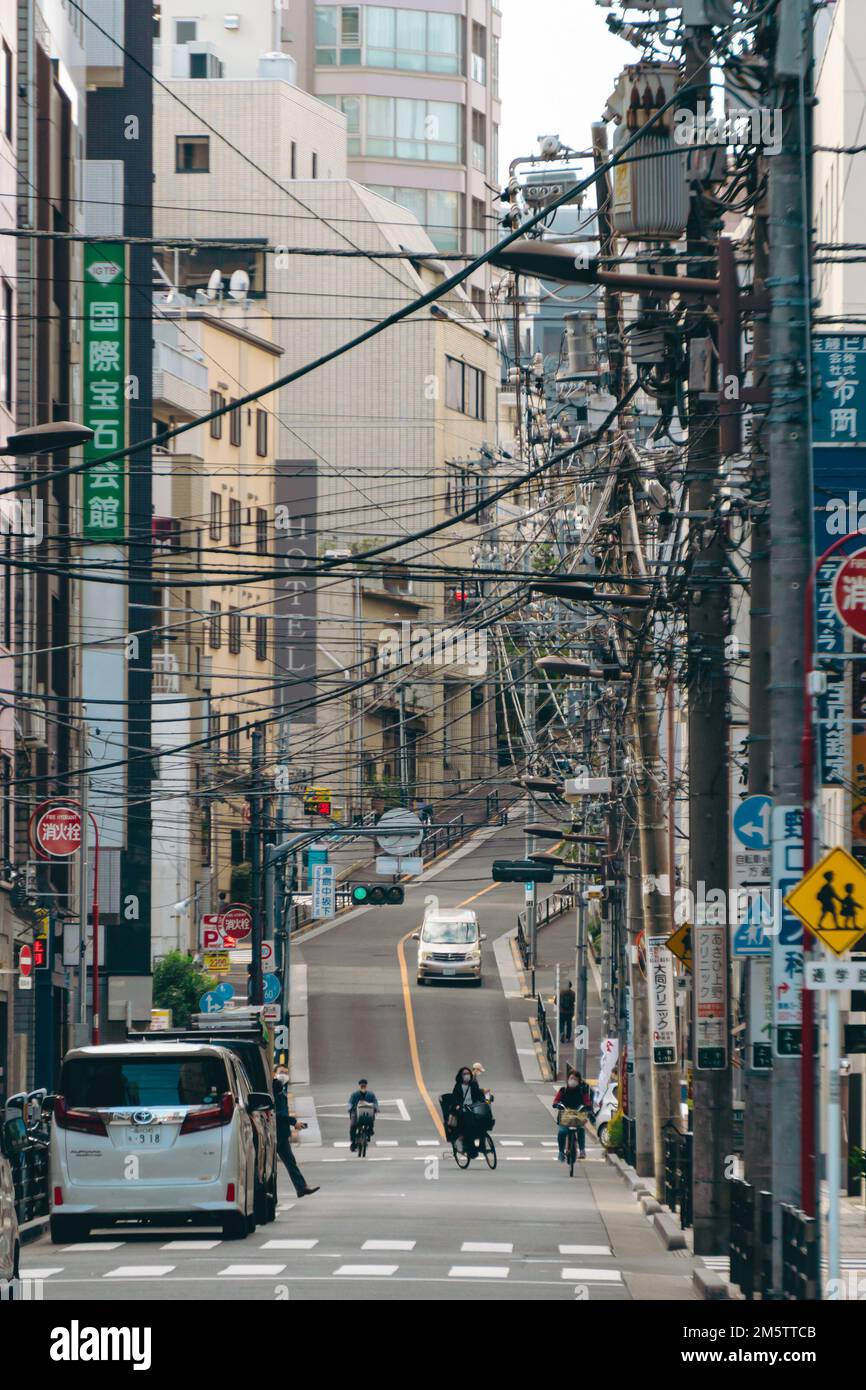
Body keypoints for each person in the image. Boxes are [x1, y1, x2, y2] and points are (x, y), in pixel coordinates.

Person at [272, 1066, 319, 1198]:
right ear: (274, 1073)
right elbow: (278, 1114)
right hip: (275, 1133)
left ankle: (301, 1188)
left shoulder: (281, 1089)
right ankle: (299, 1188)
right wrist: (294, 1122)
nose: (284, 1075)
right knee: (276, 1165)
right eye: (281, 1072)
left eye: (286, 1073)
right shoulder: (276, 1089)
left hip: (281, 1133)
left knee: (290, 1162)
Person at [552, 1070, 592, 1162]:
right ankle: (561, 1152)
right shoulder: (563, 1090)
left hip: (578, 1116)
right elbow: (556, 1100)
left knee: (581, 1129)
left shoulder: (583, 1091)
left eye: (575, 1079)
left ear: (579, 1081)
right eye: (571, 1078)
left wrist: (587, 1107)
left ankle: (582, 1150)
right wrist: (557, 1104)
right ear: (568, 1079)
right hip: (565, 1117)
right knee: (562, 1132)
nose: (572, 1080)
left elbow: (587, 1102)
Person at [449, 1065, 487, 1158]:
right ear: (461, 1076)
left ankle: (481, 1144)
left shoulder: (473, 1084)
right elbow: (455, 1099)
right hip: (462, 1109)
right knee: (468, 1123)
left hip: (473, 1107)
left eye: (468, 1074)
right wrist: (458, 1105)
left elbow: (479, 1095)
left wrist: (486, 1100)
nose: (467, 1075)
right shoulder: (458, 1086)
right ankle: (466, 1144)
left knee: (484, 1118)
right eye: (464, 1074)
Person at [348, 1078, 380, 1150]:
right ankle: (353, 1142)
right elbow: (350, 1103)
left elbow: (375, 1103)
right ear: (359, 1086)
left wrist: (376, 1108)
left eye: (364, 1086)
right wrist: (350, 1108)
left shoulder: (371, 1095)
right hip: (356, 1113)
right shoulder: (355, 1095)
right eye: (362, 1085)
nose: (363, 1087)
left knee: (371, 1121)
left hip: (367, 1114)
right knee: (353, 1126)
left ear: (366, 1086)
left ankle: (369, 1131)